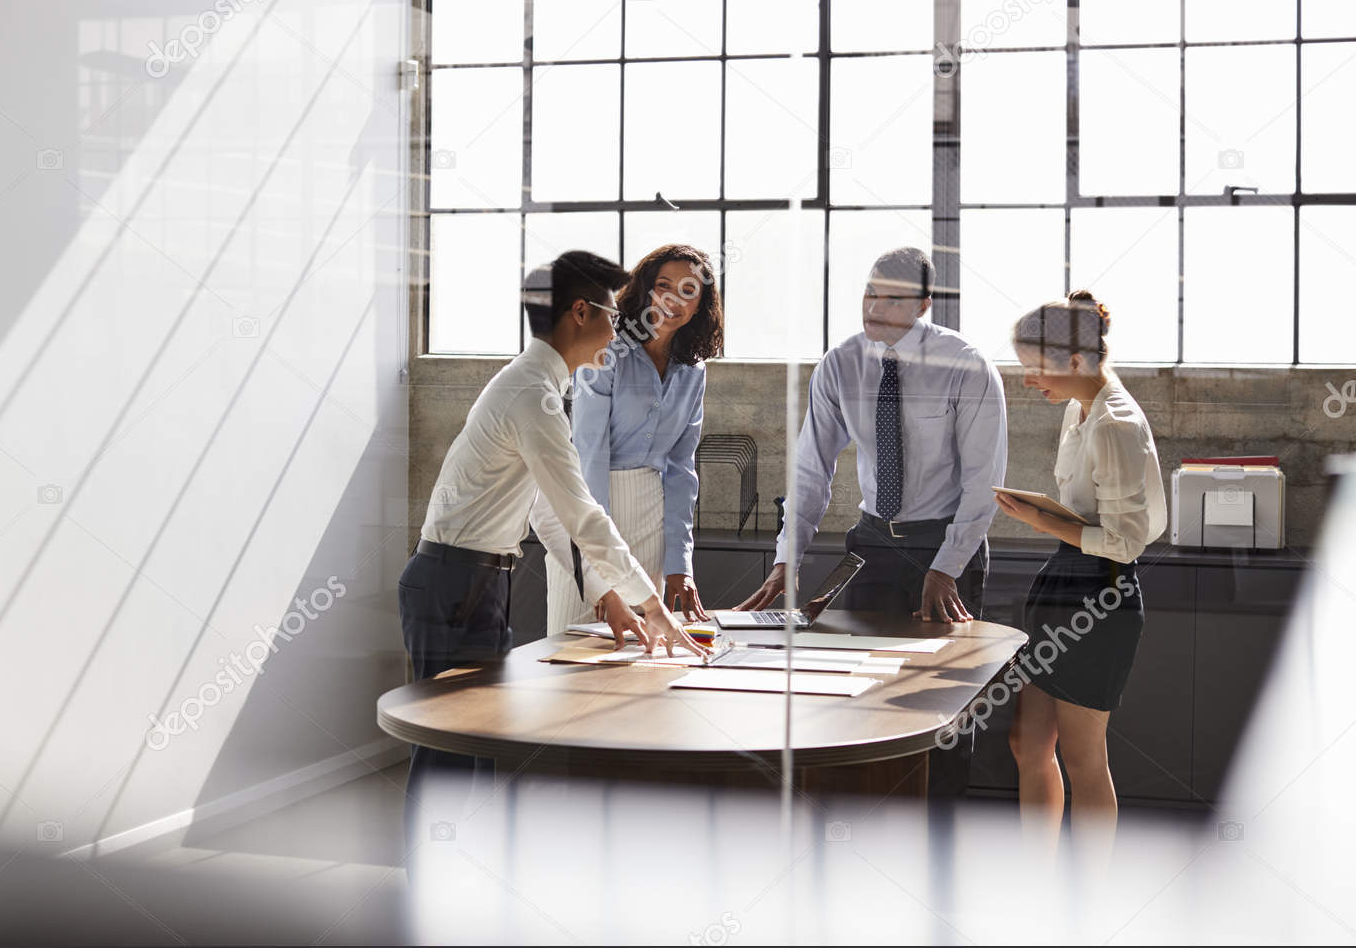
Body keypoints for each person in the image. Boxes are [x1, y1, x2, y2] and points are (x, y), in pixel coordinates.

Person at [400, 250, 707, 846]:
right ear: (579, 313)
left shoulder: (538, 387)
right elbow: (582, 512)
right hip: (450, 581)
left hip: (480, 583)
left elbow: (545, 509)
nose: (621, 327)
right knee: (445, 754)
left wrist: (605, 595)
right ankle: (423, 892)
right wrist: (652, 604)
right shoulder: (532, 396)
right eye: (614, 315)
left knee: (480, 745)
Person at [733, 246, 1008, 797]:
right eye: (869, 291)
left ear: (925, 304)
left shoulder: (966, 365)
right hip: (873, 544)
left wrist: (947, 567)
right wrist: (787, 559)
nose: (874, 305)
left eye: (892, 297)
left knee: (942, 706)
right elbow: (810, 471)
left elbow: (985, 482)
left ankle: (940, 831)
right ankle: (865, 832)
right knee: (858, 692)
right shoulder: (841, 365)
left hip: (943, 545)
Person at [995, 290, 1165, 853]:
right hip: (1064, 582)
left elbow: (1123, 541)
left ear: (1073, 361)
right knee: (1027, 741)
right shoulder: (1079, 408)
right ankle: (1037, 873)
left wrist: (1041, 521)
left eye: (1033, 369)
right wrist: (1042, 512)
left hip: (1102, 594)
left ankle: (1089, 897)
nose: (1027, 382)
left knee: (1083, 756)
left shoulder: (1116, 423)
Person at [537, 243, 724, 635]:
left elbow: (680, 470)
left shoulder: (694, 371)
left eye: (689, 290)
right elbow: (589, 454)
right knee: (572, 650)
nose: (674, 299)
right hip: (589, 507)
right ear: (644, 289)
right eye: (663, 285)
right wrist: (602, 570)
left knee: (642, 655)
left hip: (650, 517)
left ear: (701, 304)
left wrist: (678, 565)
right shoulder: (604, 352)